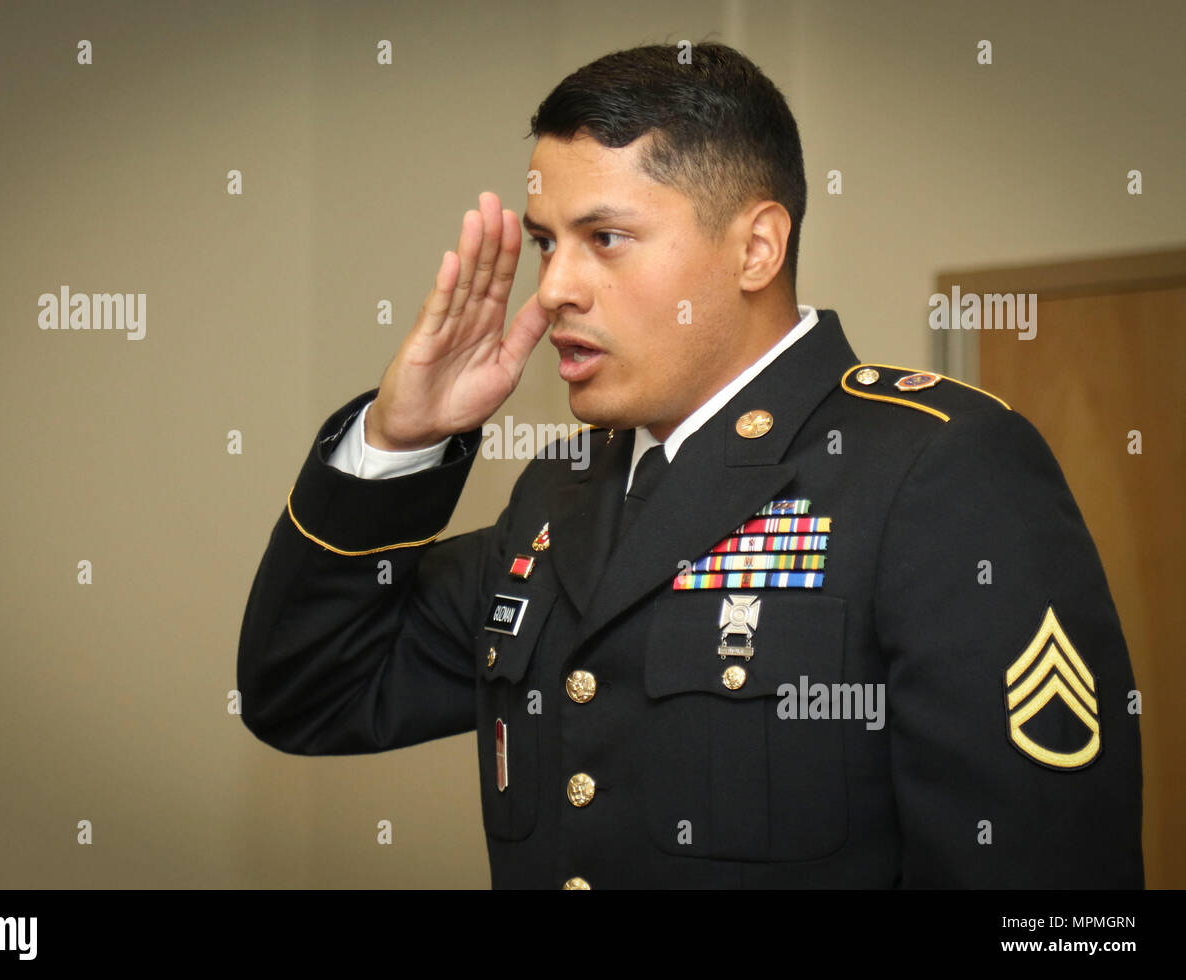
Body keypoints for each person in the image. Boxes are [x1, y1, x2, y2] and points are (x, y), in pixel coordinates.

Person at [237, 42, 1143, 888]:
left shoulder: (933, 466)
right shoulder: (560, 492)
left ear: (756, 248)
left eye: (607, 238)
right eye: (549, 243)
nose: (553, 289)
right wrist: (400, 440)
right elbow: (308, 692)